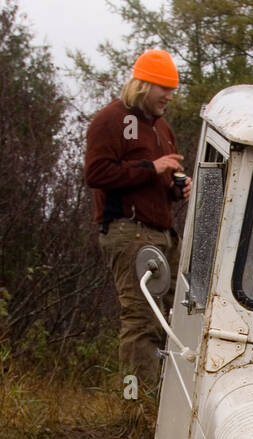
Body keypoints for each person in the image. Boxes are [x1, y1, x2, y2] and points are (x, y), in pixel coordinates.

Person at [84, 50, 191, 396]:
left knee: (177, 317)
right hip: (127, 230)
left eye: (173, 89)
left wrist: (177, 185)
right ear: (144, 85)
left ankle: (162, 404)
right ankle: (134, 404)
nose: (170, 96)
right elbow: (96, 173)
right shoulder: (110, 120)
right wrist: (151, 168)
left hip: (163, 233)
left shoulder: (163, 127)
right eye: (164, 88)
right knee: (142, 320)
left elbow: (159, 176)